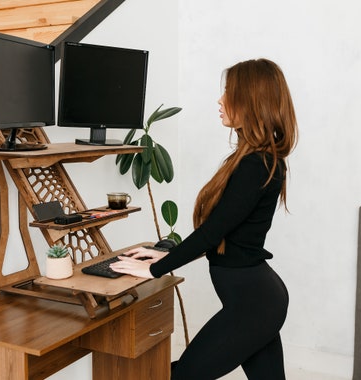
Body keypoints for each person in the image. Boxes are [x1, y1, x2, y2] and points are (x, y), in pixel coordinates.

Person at [110, 58, 298, 379]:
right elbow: (224, 236)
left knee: (182, 375)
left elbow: (213, 232)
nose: (220, 100)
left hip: (254, 304)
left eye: (228, 92)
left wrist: (154, 269)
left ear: (252, 101)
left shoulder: (256, 164)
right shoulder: (255, 159)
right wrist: (164, 254)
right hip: (259, 299)